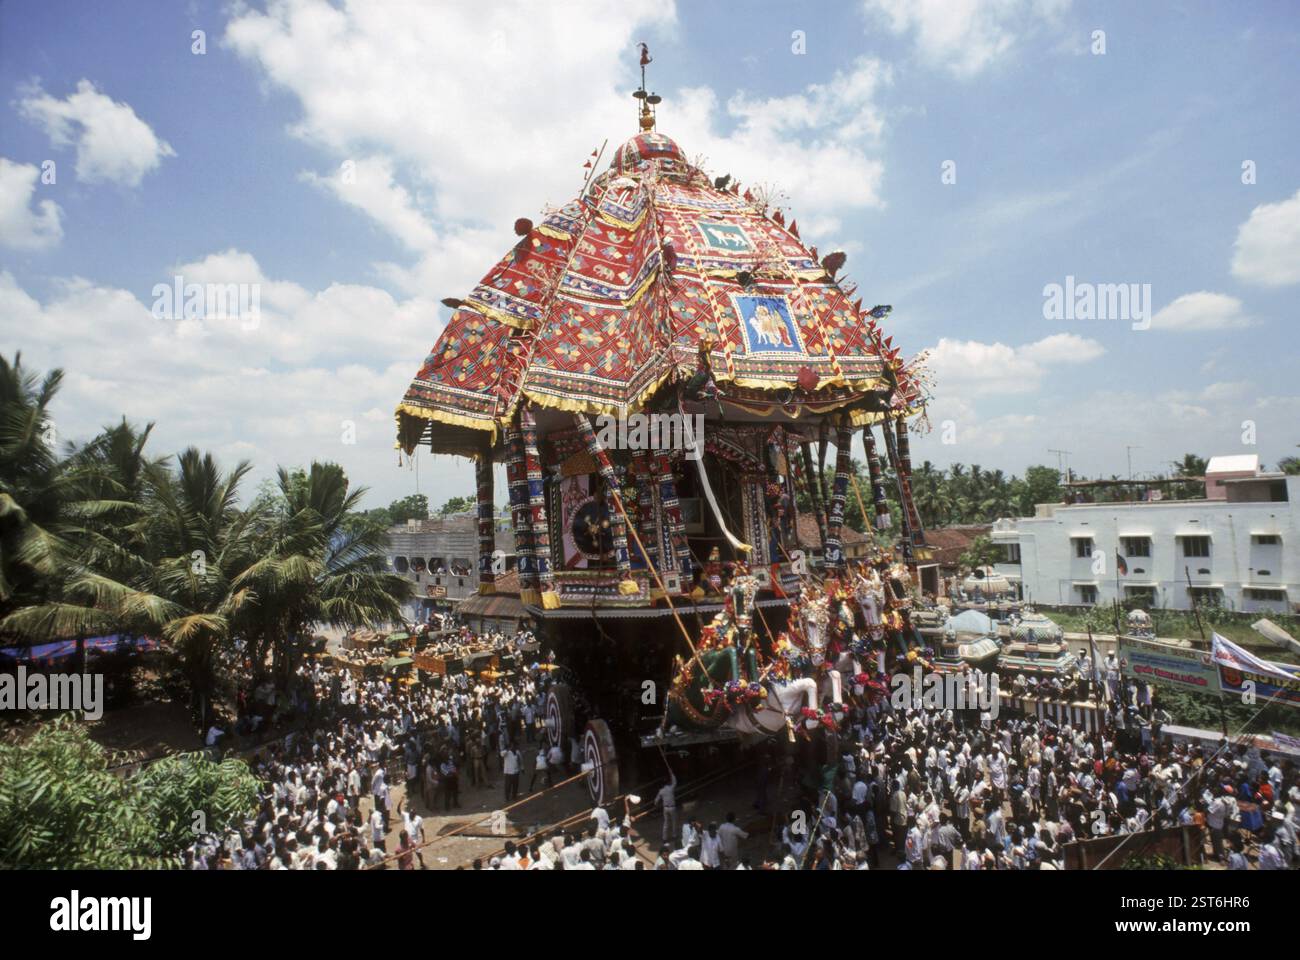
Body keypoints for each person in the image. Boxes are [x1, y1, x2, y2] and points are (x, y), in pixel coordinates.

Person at [655, 770, 679, 845]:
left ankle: (664, 838)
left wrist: (656, 804)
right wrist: (672, 773)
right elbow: (675, 781)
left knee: (666, 823)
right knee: (674, 822)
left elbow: (656, 800)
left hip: (665, 808)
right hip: (672, 808)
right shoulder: (671, 788)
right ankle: (674, 836)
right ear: (668, 782)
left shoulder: (661, 791)